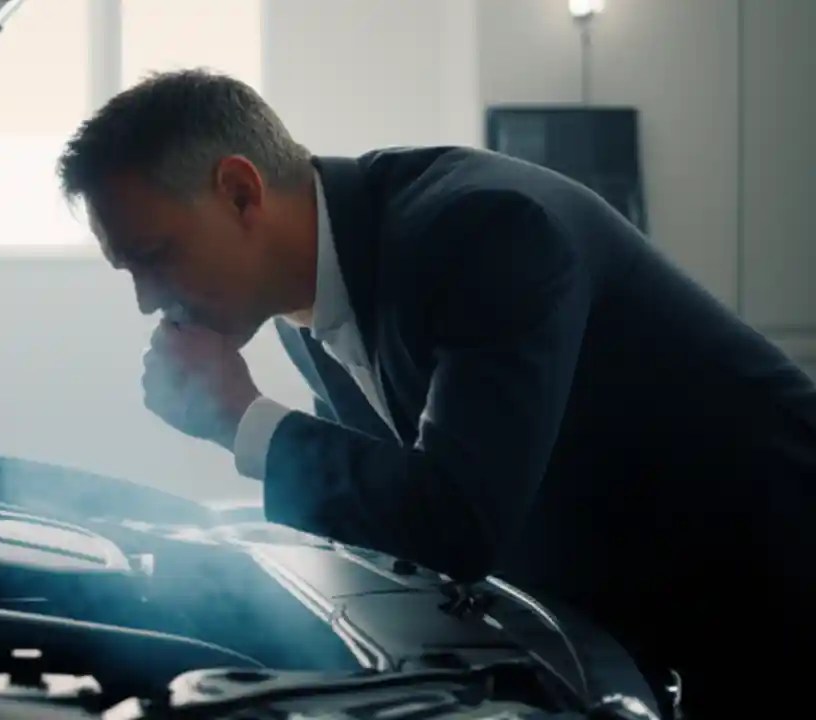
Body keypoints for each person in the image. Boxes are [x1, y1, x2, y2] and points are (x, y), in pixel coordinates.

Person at [55, 69, 815, 716]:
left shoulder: (484, 228)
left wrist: (242, 422)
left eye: (155, 257)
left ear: (240, 192)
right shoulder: (302, 311)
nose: (147, 302)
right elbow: (393, 522)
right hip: (652, 611)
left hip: (776, 579)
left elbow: (458, 516)